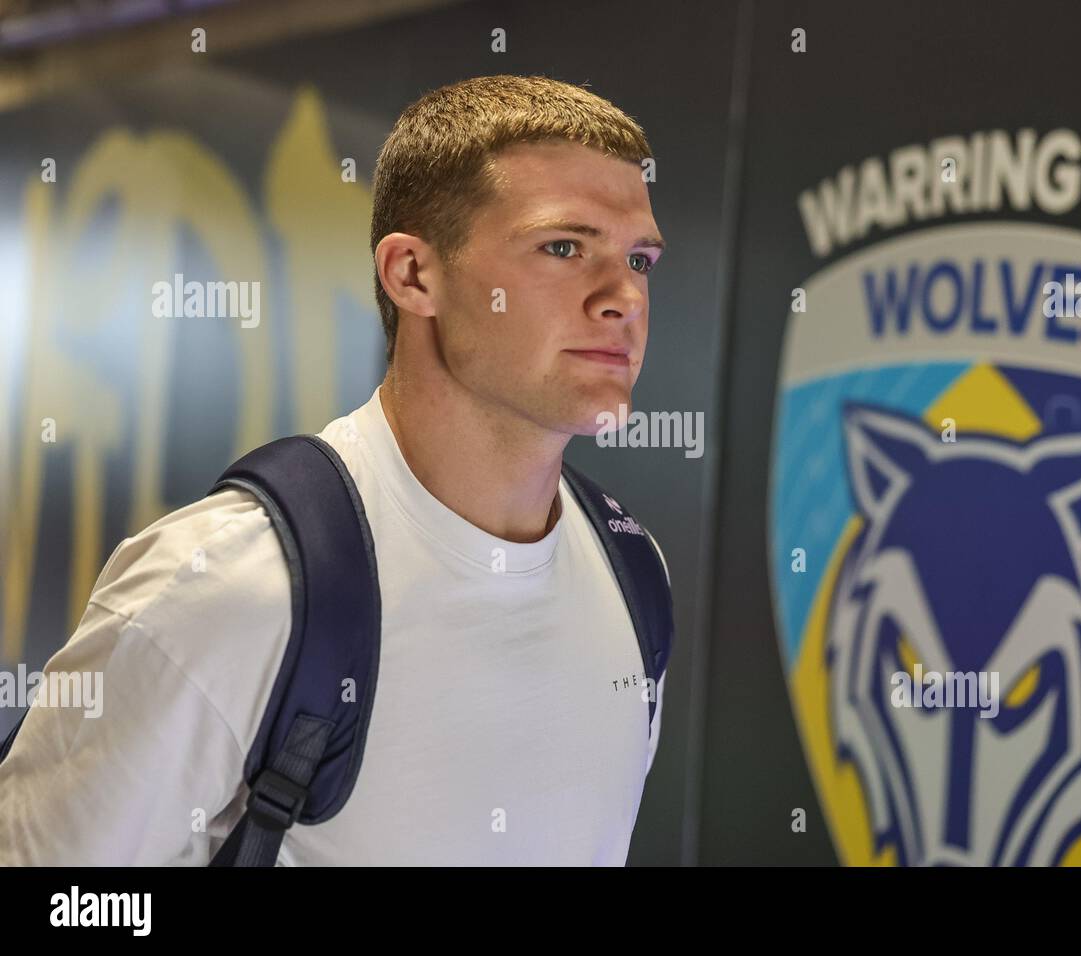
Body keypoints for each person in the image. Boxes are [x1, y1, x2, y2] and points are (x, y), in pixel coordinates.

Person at [0, 74, 671, 865]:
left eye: (639, 258)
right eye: (564, 247)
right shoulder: (230, 584)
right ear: (413, 276)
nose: (622, 296)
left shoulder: (632, 573)